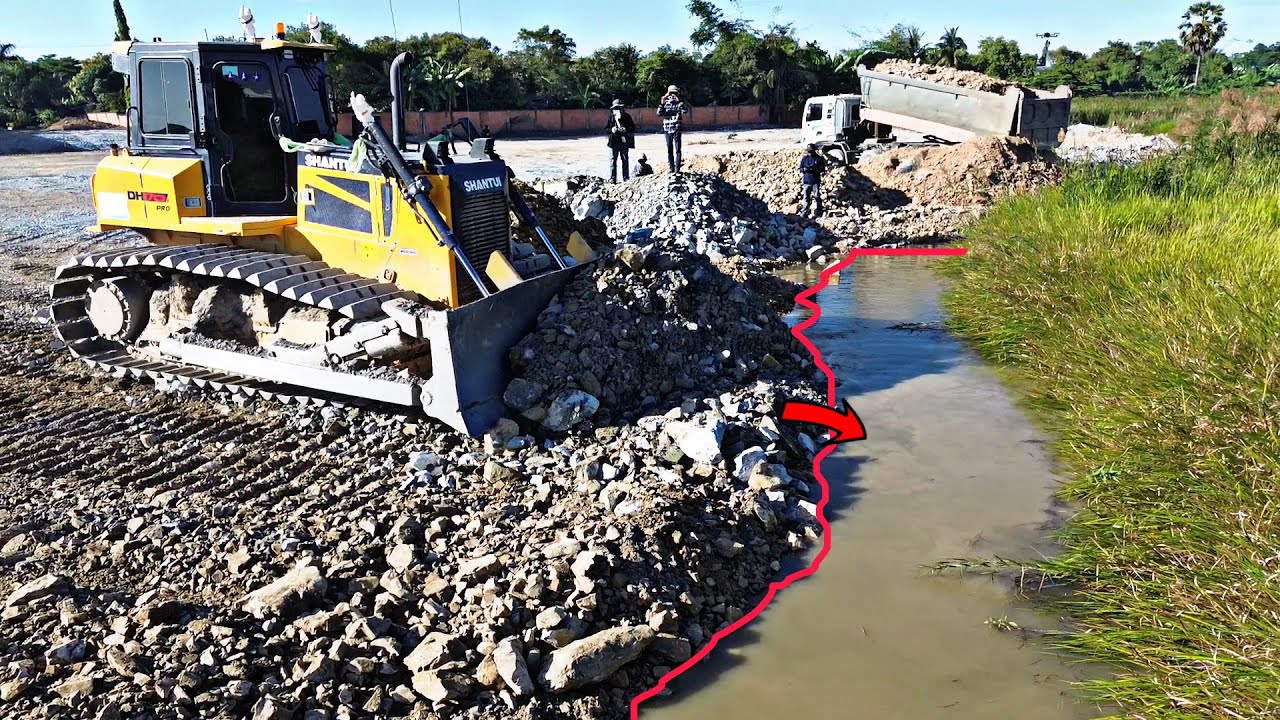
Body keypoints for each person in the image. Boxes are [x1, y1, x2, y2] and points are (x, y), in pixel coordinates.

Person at [657, 85, 689, 173]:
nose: (672, 95)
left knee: (678, 149)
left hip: (677, 128)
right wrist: (662, 102)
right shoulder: (665, 104)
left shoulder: (679, 104)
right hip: (667, 129)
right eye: (671, 93)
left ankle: (677, 169)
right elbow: (659, 113)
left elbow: (685, 111)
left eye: (674, 93)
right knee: (669, 149)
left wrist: (679, 101)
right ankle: (671, 168)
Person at [606, 99, 636, 183]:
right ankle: (612, 179)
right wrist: (612, 130)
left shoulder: (627, 117)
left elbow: (633, 127)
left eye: (620, 108)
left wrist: (625, 129)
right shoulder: (611, 118)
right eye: (616, 108)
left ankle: (626, 178)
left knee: (625, 160)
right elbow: (606, 129)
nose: (618, 110)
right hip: (613, 142)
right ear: (613, 110)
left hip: (624, 142)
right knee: (612, 160)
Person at [800, 144, 826, 218]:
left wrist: (814, 169)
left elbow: (822, 169)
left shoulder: (819, 159)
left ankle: (819, 212)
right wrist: (804, 169)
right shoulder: (805, 159)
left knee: (817, 196)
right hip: (806, 181)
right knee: (806, 197)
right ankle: (804, 212)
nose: (810, 153)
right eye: (809, 151)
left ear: (814, 151)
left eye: (811, 151)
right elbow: (801, 168)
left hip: (815, 181)